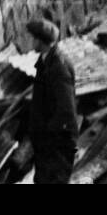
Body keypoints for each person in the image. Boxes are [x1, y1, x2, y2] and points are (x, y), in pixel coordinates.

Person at [26, 18, 78, 184]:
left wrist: (48, 134)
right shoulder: (46, 61)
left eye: (32, 37)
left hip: (56, 143)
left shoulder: (58, 68)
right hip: (47, 142)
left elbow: (66, 111)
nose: (29, 40)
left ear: (40, 41)